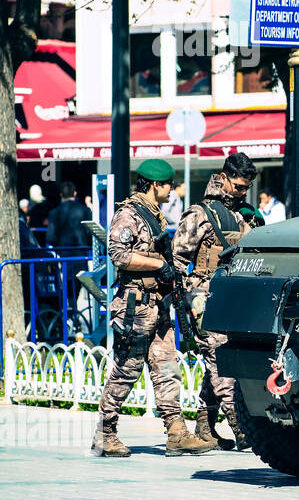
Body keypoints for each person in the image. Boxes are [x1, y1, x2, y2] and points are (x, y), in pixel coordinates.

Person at [91, 159, 217, 458]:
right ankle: (105, 434)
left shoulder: (154, 215)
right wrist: (158, 264)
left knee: (167, 369)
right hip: (134, 307)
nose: (172, 190)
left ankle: (177, 434)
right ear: (154, 184)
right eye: (168, 185)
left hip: (158, 305)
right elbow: (119, 255)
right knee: (126, 371)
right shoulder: (129, 214)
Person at [173, 153, 260, 451]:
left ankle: (204, 426)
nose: (242, 192)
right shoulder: (199, 213)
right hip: (205, 296)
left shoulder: (245, 214)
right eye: (237, 186)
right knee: (221, 359)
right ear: (222, 178)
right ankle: (243, 429)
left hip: (235, 296)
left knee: (220, 358)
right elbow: (177, 259)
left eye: (246, 188)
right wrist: (188, 299)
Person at [46, 181, 92, 251]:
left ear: (61, 195)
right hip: (81, 250)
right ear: (75, 193)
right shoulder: (85, 210)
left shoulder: (54, 212)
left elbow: (50, 237)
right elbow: (91, 232)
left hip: (62, 251)